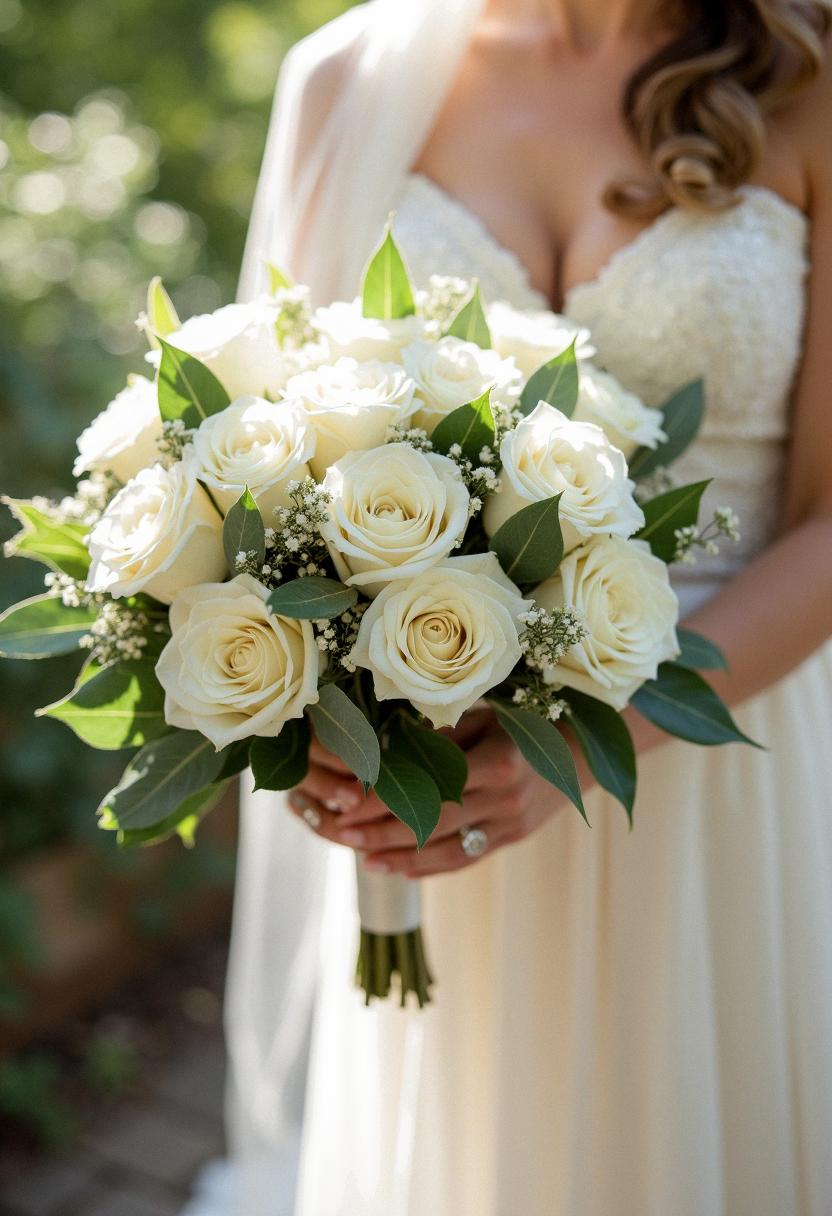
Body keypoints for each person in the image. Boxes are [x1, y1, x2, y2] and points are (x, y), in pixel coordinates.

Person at [195, 2, 832, 1213]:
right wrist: (331, 723)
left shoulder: (811, 77)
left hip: (718, 758)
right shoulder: (346, 81)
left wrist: (583, 748)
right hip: (445, 777)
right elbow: (265, 453)